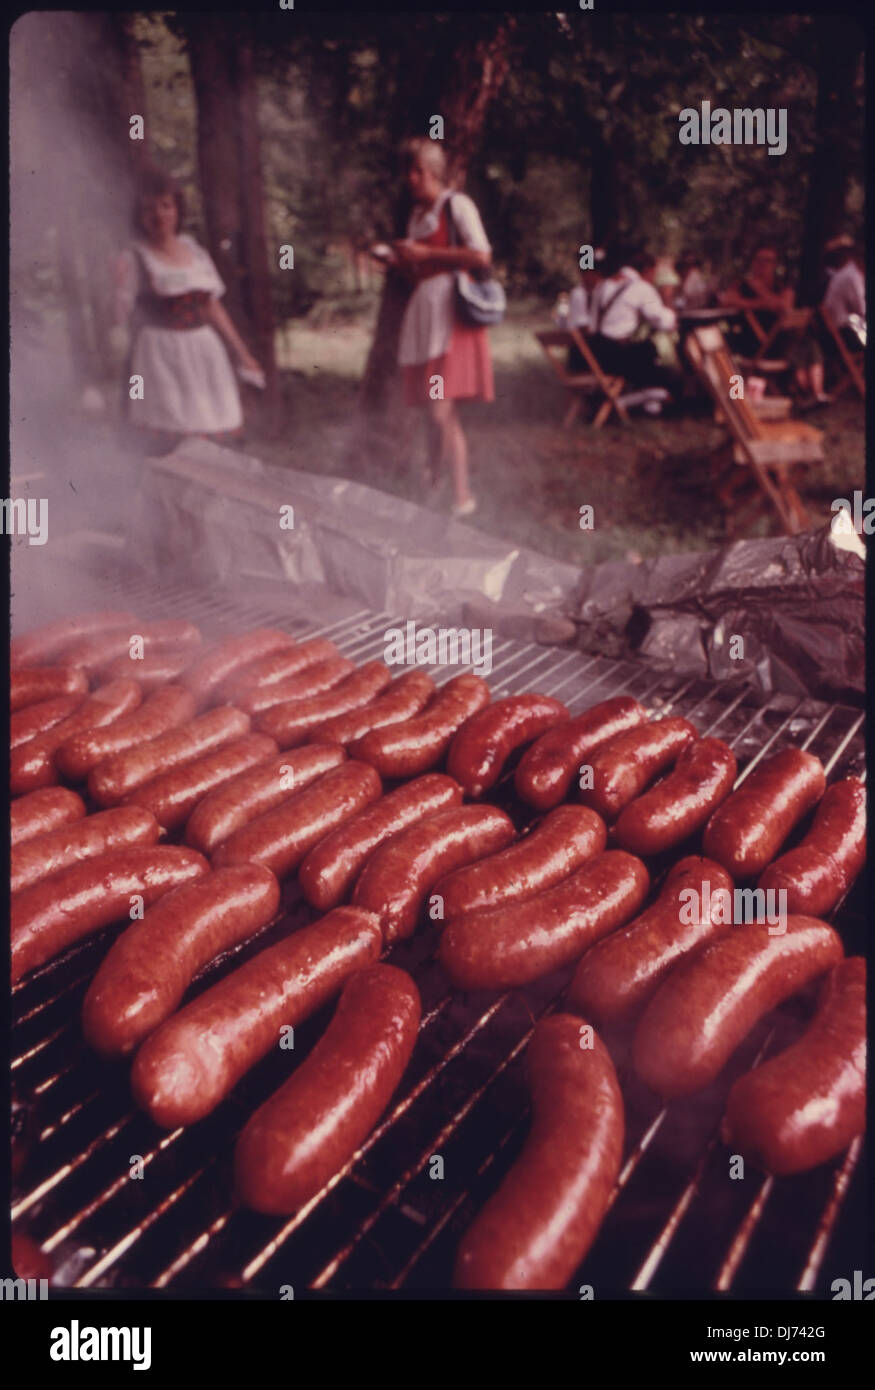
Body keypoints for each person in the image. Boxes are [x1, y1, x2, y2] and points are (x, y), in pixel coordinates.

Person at [113, 168, 263, 453]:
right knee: (170, 434)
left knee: (211, 424)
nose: (159, 216)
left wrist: (243, 354)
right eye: (149, 209)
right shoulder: (133, 258)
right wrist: (117, 283)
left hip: (203, 351)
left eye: (166, 206)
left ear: (177, 209)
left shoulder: (196, 253)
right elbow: (119, 318)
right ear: (139, 216)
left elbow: (212, 307)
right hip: (158, 355)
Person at [388, 138, 494, 518]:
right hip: (425, 313)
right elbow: (419, 268)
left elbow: (482, 254)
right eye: (407, 171)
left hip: (451, 316)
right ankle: (437, 488)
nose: (410, 178)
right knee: (430, 410)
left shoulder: (456, 205)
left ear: (430, 171)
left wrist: (427, 253)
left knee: (439, 410)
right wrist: (399, 260)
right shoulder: (419, 216)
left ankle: (462, 496)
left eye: (415, 170)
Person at [719, 242, 829, 405]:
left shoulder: (781, 285)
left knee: (809, 344)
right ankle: (805, 394)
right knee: (799, 345)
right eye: (759, 260)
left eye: (768, 261)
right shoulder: (741, 284)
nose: (763, 264)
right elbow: (727, 300)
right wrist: (765, 302)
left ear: (775, 264)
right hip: (753, 341)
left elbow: (785, 305)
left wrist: (759, 292)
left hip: (778, 339)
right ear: (753, 262)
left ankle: (816, 393)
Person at [588, 246, 681, 400]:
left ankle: (645, 399)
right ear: (647, 270)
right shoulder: (641, 288)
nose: (655, 277)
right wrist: (670, 303)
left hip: (595, 354)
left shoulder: (602, 286)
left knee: (646, 350)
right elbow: (662, 320)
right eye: (654, 273)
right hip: (615, 357)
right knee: (668, 372)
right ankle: (632, 400)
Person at [822, 237, 866, 349]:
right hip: (842, 332)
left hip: (842, 329)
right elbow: (862, 309)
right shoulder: (851, 276)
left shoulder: (850, 273)